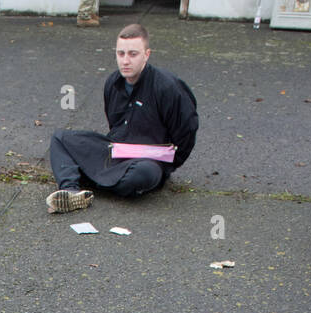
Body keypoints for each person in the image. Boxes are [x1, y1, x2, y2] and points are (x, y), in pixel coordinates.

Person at [46, 23, 198, 212]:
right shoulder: (113, 82)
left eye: (133, 54)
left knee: (142, 175)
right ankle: (70, 190)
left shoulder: (167, 87)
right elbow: (114, 126)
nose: (125, 61)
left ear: (147, 54)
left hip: (147, 161)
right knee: (61, 138)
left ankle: (89, 177)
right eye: (121, 54)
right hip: (116, 151)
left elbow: (187, 130)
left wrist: (167, 167)